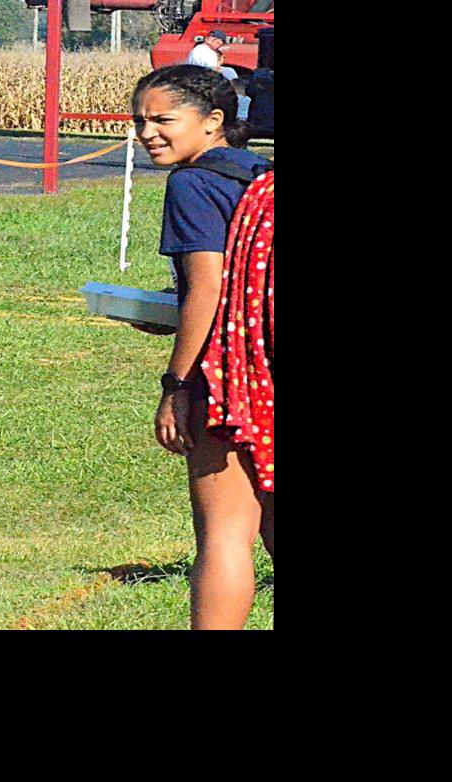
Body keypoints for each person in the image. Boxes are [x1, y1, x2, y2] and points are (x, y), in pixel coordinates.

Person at [131, 64, 273, 629]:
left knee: (223, 534)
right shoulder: (258, 174)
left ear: (214, 121)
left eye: (163, 119)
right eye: (139, 121)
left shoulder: (192, 184)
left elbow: (209, 290)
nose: (147, 132)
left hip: (236, 379)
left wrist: (177, 387)